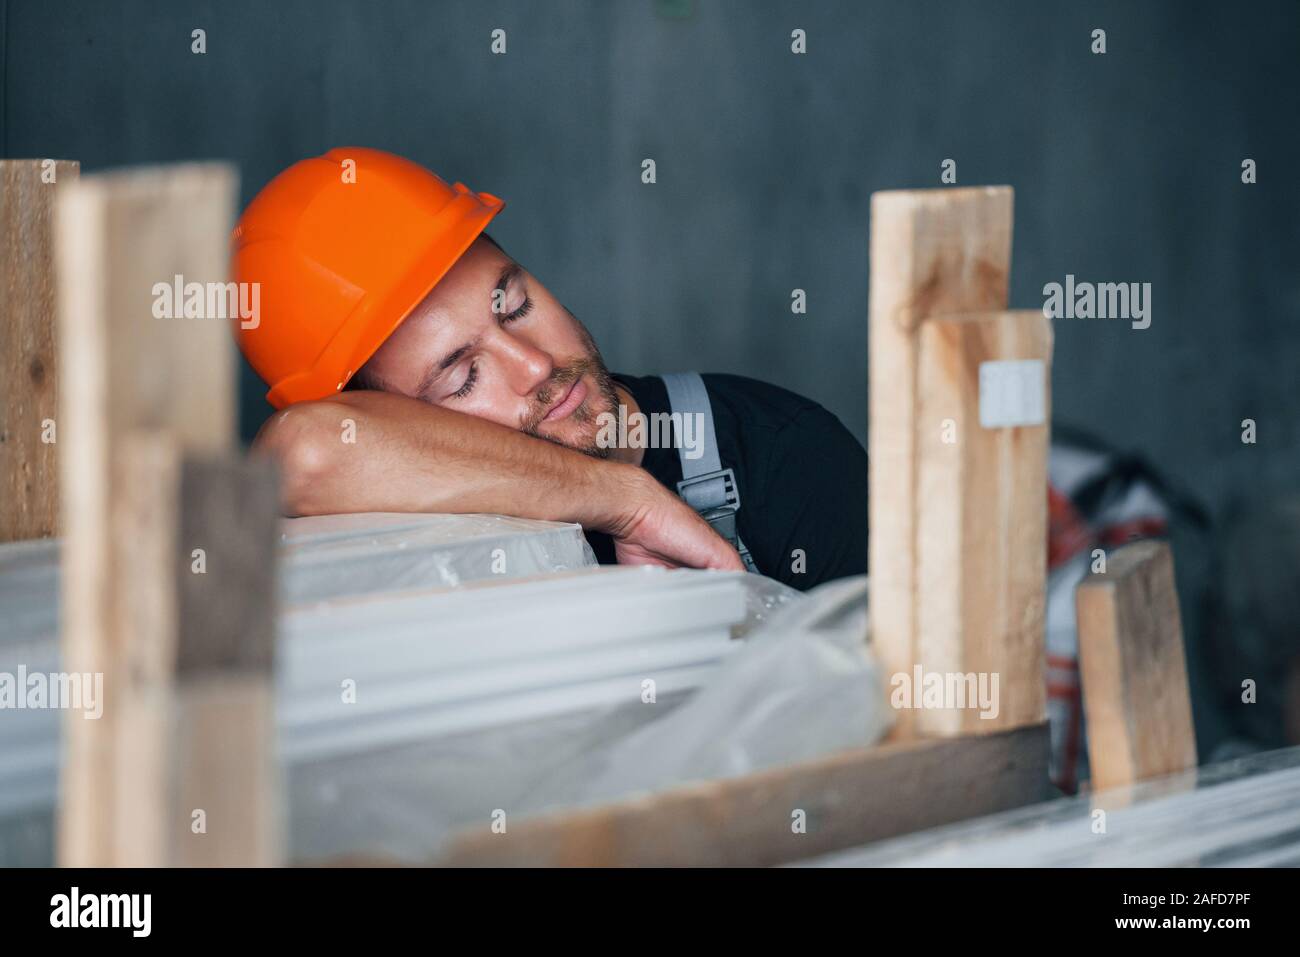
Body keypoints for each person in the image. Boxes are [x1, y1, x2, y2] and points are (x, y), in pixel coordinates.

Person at [234, 148, 867, 590]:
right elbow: (305, 453)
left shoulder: (786, 455)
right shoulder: (379, 543)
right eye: (462, 377)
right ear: (373, 413)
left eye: (514, 305)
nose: (535, 364)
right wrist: (628, 503)